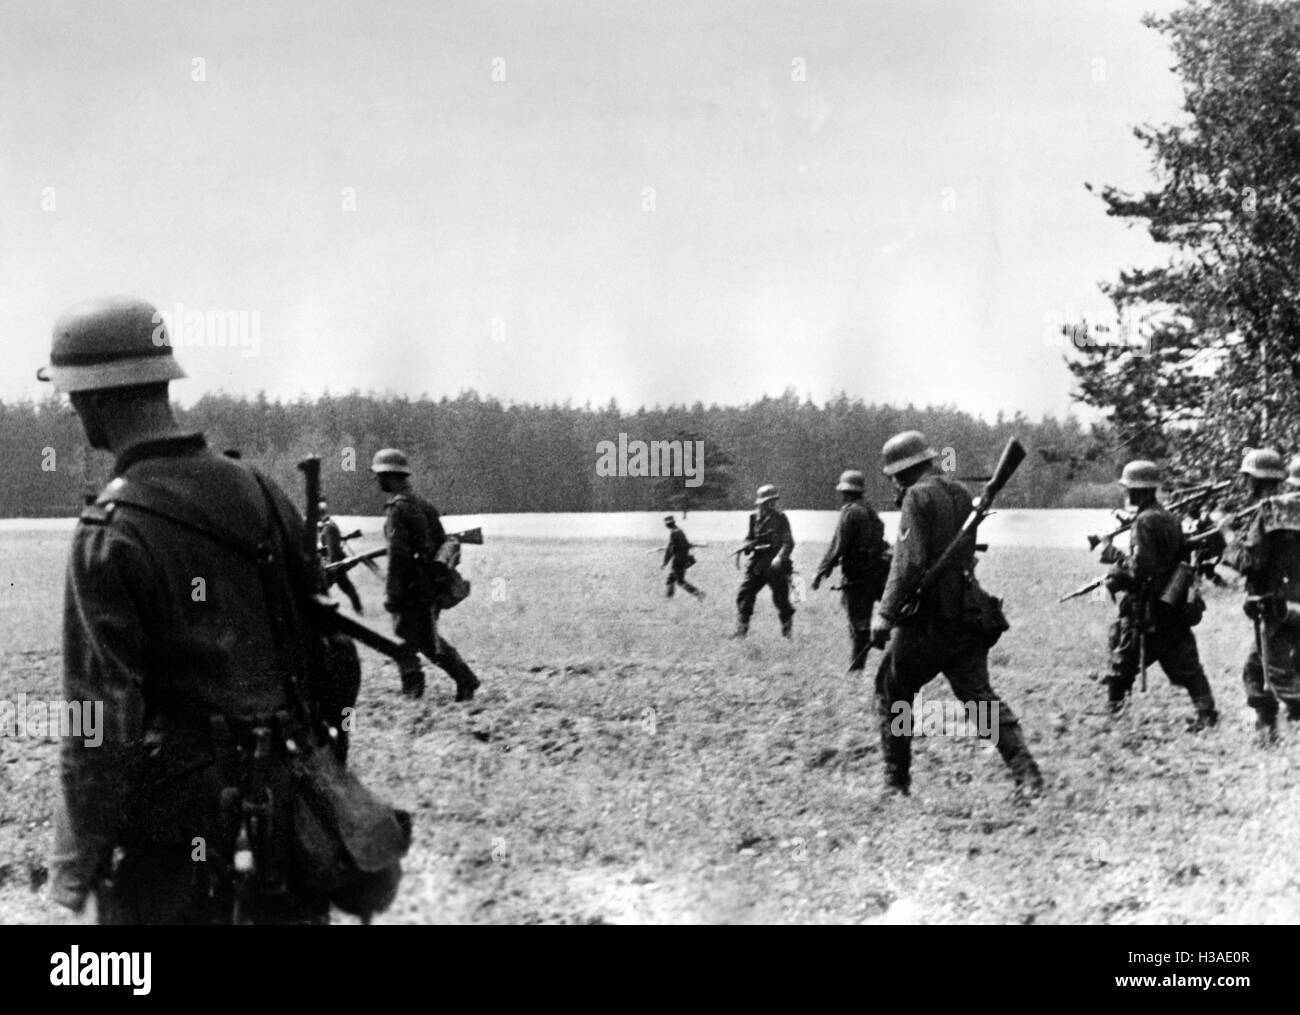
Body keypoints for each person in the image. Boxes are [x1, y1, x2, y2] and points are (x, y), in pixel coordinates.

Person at [40, 296, 357, 924]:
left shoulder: (110, 530)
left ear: (92, 400)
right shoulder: (262, 491)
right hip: (287, 825)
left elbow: (96, 723)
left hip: (174, 852)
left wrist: (73, 869)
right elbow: (329, 662)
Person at [869, 431, 1042, 798]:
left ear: (901, 473)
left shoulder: (917, 496)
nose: (896, 486)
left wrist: (885, 615)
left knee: (892, 690)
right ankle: (1027, 775)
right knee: (980, 699)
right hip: (967, 616)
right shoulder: (960, 494)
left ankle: (896, 782)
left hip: (928, 621)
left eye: (895, 478)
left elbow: (908, 562)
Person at [1097, 460, 1218, 730]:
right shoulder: (1169, 518)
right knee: (1187, 664)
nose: (1127, 493)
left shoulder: (1143, 521)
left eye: (1129, 489)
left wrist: (1114, 556)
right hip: (1172, 602)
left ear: (1138, 492)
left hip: (1147, 608)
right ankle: (1207, 713)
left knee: (1122, 662)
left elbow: (1141, 568)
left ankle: (1116, 718)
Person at [371, 448, 480, 701]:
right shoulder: (424, 505)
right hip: (430, 585)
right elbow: (441, 541)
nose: (377, 481)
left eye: (380, 475)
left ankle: (430, 684)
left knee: (407, 637)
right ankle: (454, 681)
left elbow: (398, 557)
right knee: (419, 637)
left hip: (412, 588)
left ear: (392, 476)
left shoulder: (397, 509)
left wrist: (391, 594)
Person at [1220, 448, 1300, 745]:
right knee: (1256, 669)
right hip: (1293, 604)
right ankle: (1267, 732)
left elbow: (1250, 561)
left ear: (1256, 480)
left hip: (1276, 607)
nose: (1246, 485)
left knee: (1278, 677)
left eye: (1248, 479)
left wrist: (1227, 535)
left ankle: (1277, 728)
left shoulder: (1270, 512)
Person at [813, 470, 889, 671]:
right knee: (866, 622)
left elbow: (838, 545)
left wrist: (821, 571)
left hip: (857, 577)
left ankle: (856, 669)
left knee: (859, 627)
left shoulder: (849, 511)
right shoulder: (870, 510)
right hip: (875, 573)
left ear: (845, 491)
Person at [732, 484, 796, 638]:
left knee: (781, 601)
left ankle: (787, 634)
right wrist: (746, 546)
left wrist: (780, 557)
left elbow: (789, 542)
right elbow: (749, 538)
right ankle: (741, 632)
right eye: (768, 501)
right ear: (760, 502)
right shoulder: (753, 518)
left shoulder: (781, 518)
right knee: (744, 595)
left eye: (773, 500)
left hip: (775, 567)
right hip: (757, 565)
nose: (772, 504)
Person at [318, 498, 364, 614]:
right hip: (336, 563)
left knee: (323, 589)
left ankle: (358, 609)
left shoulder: (328, 528)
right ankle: (358, 609)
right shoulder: (329, 525)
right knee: (345, 586)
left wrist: (330, 565)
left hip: (334, 564)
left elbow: (332, 549)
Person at [662, 515, 704, 600]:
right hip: (683, 559)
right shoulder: (680, 531)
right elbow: (686, 545)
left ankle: (698, 593)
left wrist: (665, 562)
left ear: (668, 525)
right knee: (671, 578)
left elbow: (671, 550)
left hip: (678, 561)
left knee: (680, 581)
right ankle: (668, 598)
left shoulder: (674, 533)